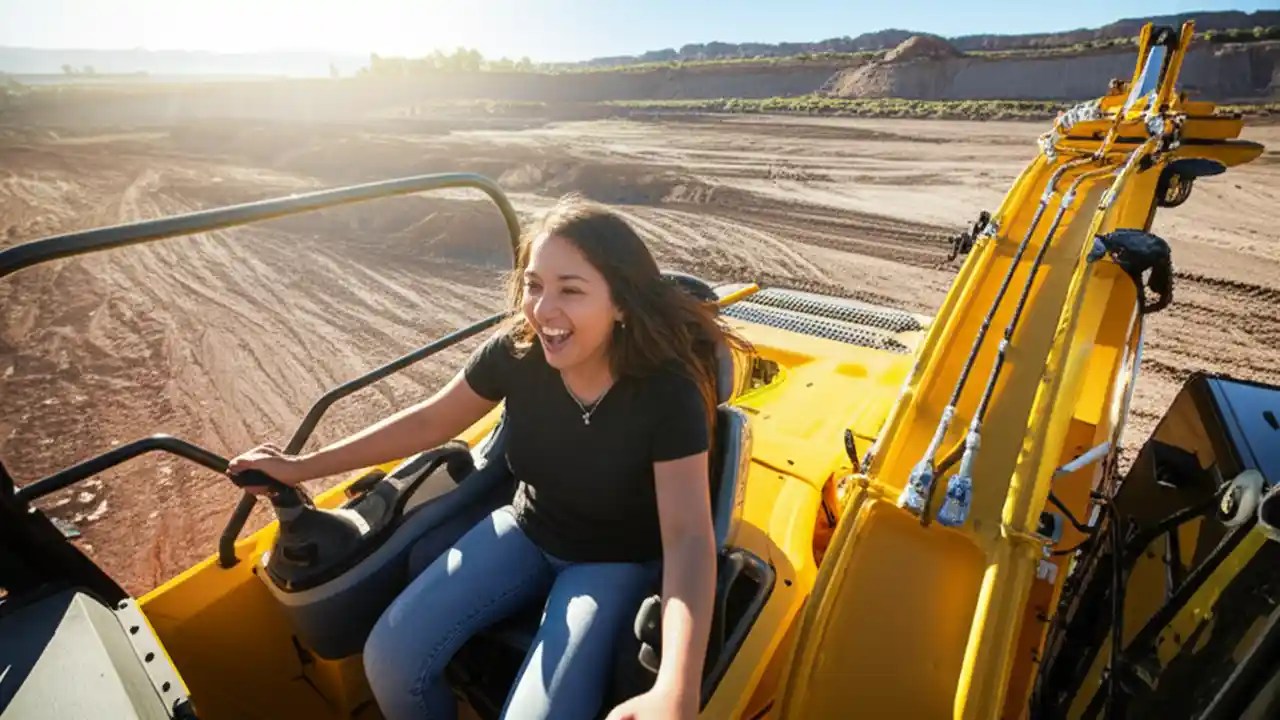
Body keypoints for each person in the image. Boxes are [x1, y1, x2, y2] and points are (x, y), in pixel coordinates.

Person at [228, 195, 748, 720]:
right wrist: (300, 468)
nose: (544, 311)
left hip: (610, 563)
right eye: (535, 286)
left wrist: (676, 690)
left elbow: (687, 538)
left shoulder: (667, 392)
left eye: (571, 290)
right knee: (389, 659)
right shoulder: (517, 354)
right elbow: (430, 422)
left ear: (621, 304)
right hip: (526, 531)